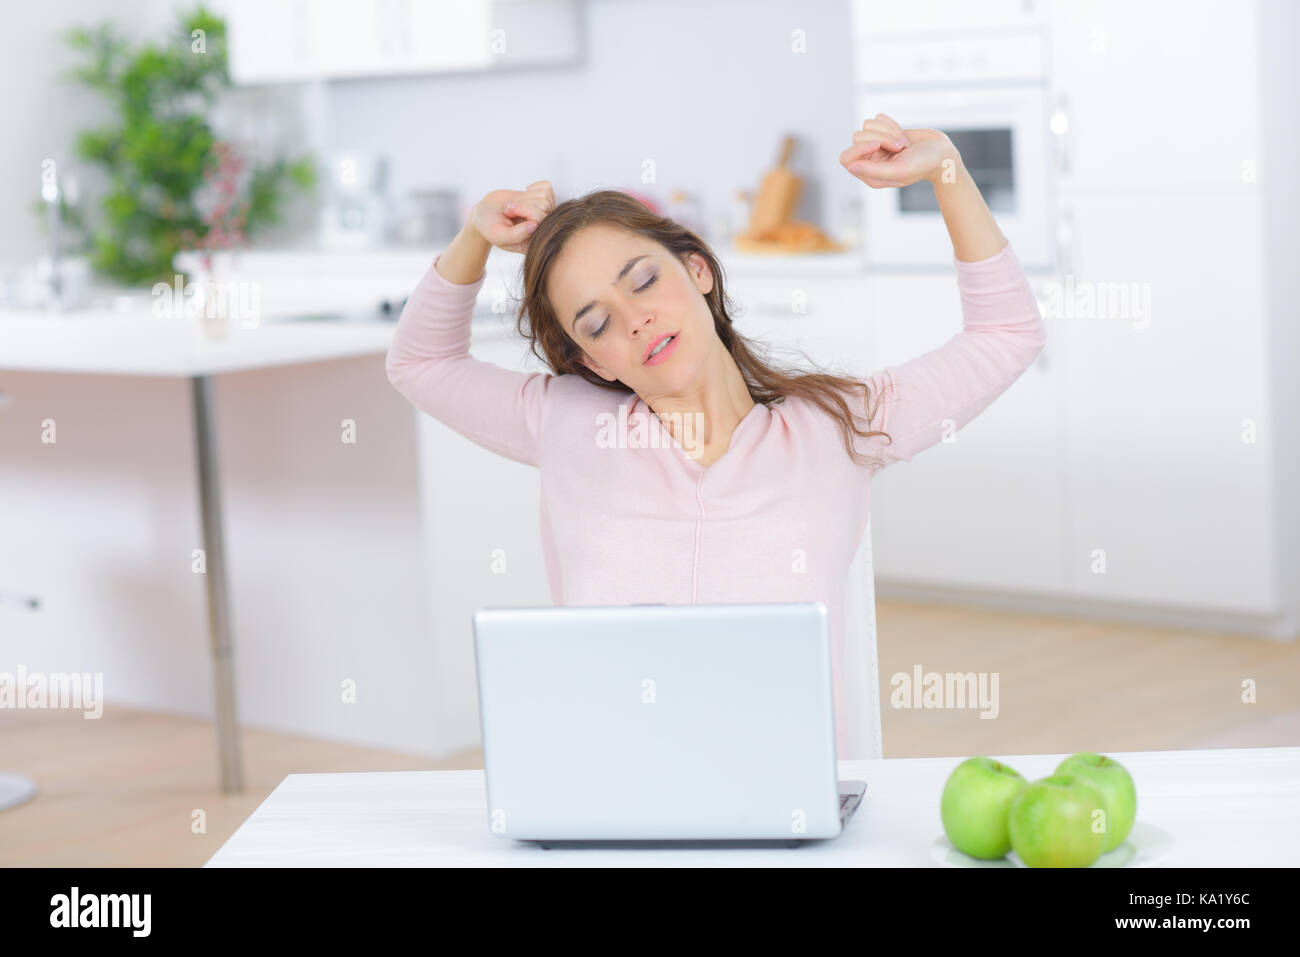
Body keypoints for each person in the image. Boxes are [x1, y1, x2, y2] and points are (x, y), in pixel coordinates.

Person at [385, 114, 1046, 754]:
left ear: (697, 270)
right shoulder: (565, 422)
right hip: (610, 795)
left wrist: (948, 172)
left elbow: (1007, 334)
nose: (636, 319)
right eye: (596, 324)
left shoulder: (836, 426)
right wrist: (476, 233)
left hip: (786, 803)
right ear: (590, 360)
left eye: (643, 280)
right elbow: (420, 362)